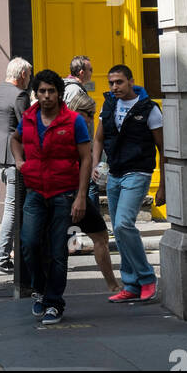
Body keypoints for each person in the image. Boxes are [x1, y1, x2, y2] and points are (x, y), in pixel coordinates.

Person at [11, 68, 91, 324]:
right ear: (36, 93)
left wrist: (80, 197)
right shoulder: (28, 118)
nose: (46, 96)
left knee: (58, 251)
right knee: (29, 243)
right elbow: (15, 139)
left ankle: (54, 302)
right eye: (42, 91)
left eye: (51, 91)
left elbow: (86, 158)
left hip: (64, 194)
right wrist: (19, 161)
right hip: (35, 192)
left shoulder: (73, 121)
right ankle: (40, 290)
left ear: (59, 94)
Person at [93, 63, 165, 304]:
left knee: (123, 225)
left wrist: (163, 185)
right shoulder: (109, 104)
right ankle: (131, 284)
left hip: (138, 172)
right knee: (120, 231)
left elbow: (162, 149)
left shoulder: (149, 109)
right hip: (114, 173)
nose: (115, 87)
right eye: (111, 82)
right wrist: (96, 165)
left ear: (131, 82)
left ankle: (147, 278)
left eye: (119, 82)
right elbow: (99, 138)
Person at [62, 56, 119, 293]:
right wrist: (82, 195)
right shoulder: (77, 131)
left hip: (68, 191)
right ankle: (112, 285)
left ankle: (112, 284)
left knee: (78, 237)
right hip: (73, 191)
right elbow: (84, 161)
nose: (91, 119)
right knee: (99, 237)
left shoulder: (64, 96)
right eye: (89, 114)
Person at [0, 56, 32, 275]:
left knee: (15, 207)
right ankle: (2, 260)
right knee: (13, 210)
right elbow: (27, 126)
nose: (29, 79)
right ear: (23, 74)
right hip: (15, 158)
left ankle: (15, 256)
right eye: (29, 75)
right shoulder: (20, 95)